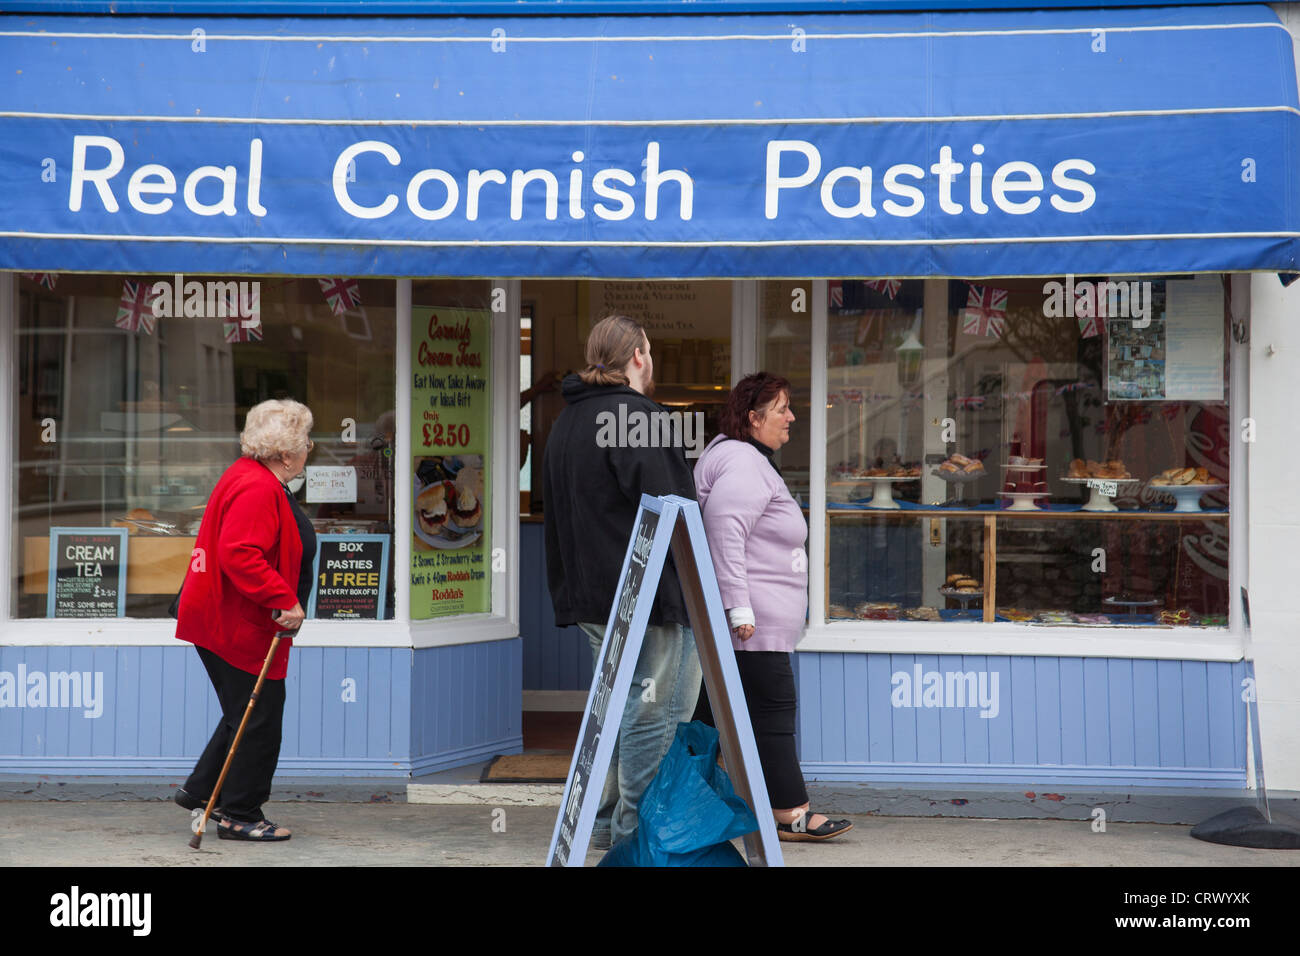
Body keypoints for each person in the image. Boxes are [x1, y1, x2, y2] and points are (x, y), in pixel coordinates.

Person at [543, 314, 701, 850]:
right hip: (648, 596)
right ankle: (636, 834)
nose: (651, 361)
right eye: (649, 352)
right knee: (653, 712)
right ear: (638, 356)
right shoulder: (641, 419)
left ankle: (605, 821)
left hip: (589, 595)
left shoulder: (567, 420)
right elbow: (677, 517)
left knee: (619, 705)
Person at [693, 372, 852, 842]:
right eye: (781, 408)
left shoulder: (743, 457)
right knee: (773, 713)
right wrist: (739, 610)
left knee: (709, 720)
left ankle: (680, 801)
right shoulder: (742, 461)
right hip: (751, 628)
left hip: (752, 627)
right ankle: (791, 814)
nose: (791, 417)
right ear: (753, 417)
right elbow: (725, 531)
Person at [173, 399, 317, 841]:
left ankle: (201, 792)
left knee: (245, 712)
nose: (311, 448)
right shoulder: (257, 486)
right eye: (307, 440)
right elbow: (240, 553)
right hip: (235, 623)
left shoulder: (253, 475)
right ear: (288, 453)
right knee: (259, 717)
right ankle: (240, 814)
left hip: (230, 618)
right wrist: (284, 598)